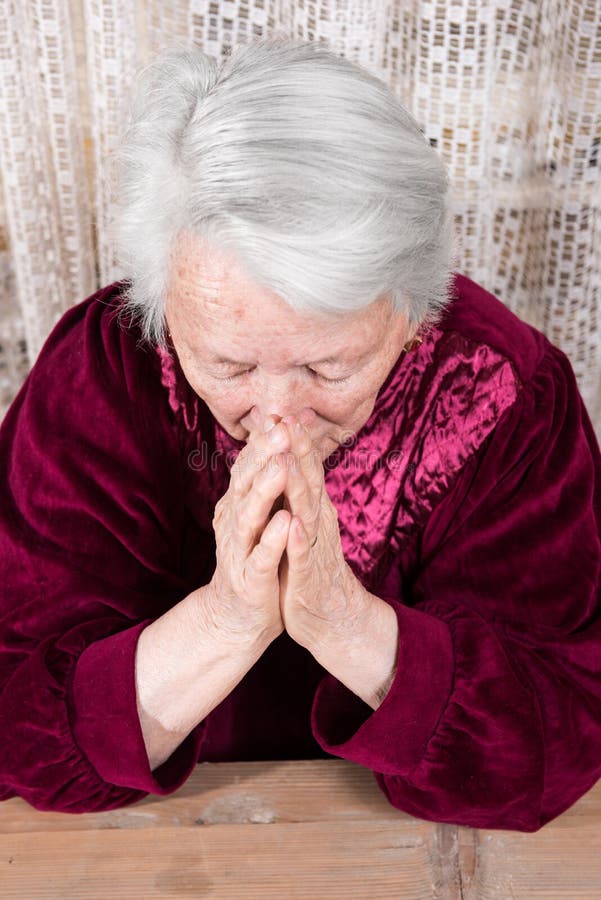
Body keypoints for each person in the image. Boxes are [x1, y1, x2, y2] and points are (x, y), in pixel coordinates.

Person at [0, 37, 600, 833]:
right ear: (162, 302)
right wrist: (223, 621)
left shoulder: (501, 391)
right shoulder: (102, 369)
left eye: (327, 369)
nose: (275, 420)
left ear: (414, 309)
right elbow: (15, 722)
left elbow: (554, 741)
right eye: (228, 364)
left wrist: (341, 621)